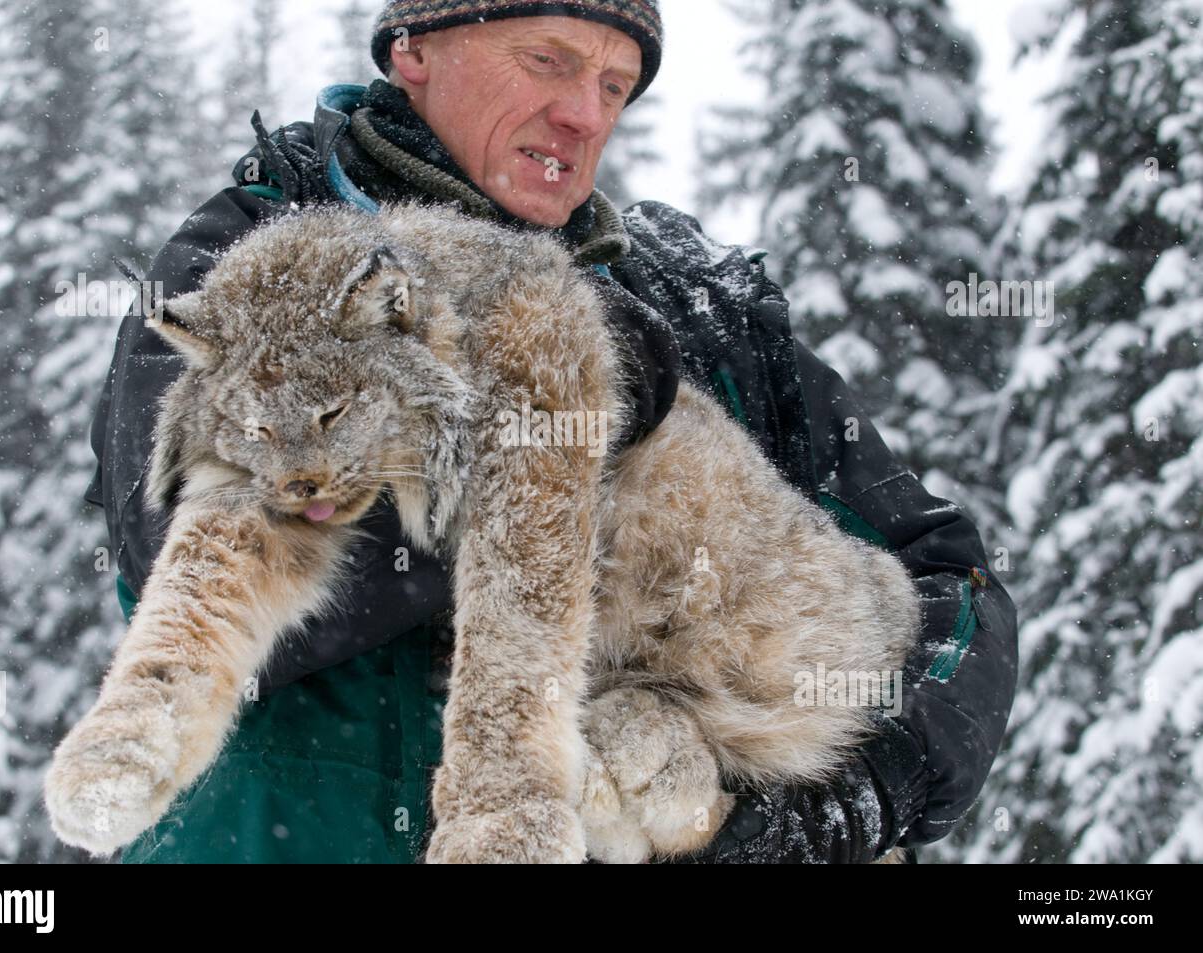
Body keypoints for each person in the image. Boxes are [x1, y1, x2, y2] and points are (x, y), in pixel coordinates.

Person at [83, 0, 1018, 863]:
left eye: (615, 84)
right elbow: (173, 546)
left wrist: (834, 808)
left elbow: (948, 580)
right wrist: (545, 413)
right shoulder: (256, 252)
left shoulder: (689, 301)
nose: (585, 114)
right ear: (414, 49)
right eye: (547, 60)